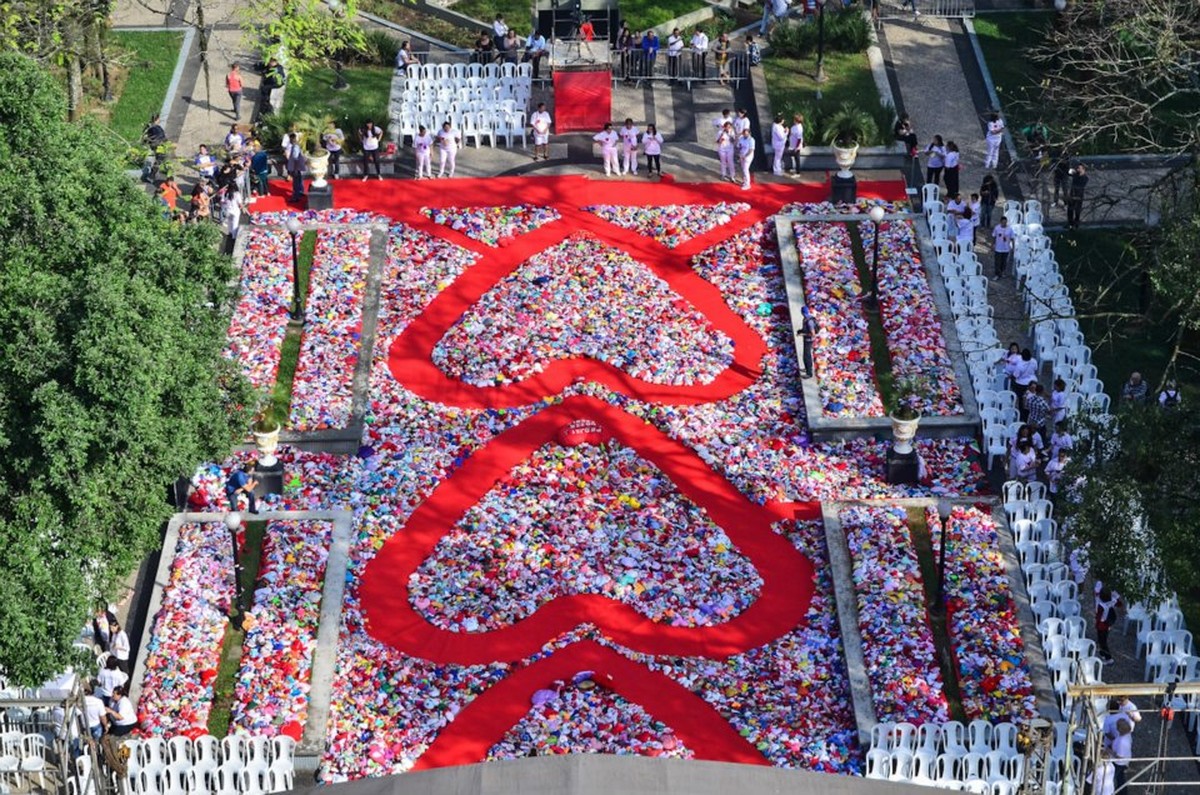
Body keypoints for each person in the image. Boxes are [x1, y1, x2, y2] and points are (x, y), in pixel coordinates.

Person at [1094, 588, 1122, 662]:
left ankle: (1108, 658)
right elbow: (1119, 604)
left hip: (1101, 625)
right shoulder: (1112, 601)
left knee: (1102, 641)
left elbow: (1098, 616)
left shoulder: (1101, 606)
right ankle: (1102, 653)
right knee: (1103, 639)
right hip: (1107, 623)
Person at [1010, 348, 1038, 412]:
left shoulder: (1020, 366)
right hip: (1032, 381)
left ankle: (1021, 413)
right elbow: (1035, 369)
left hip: (1021, 384)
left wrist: (1010, 376)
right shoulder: (1034, 361)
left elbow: (1015, 376)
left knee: (1021, 399)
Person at [796, 304, 817, 378]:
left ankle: (809, 373)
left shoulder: (809, 321)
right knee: (806, 355)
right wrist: (800, 331)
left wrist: (802, 334)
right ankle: (807, 368)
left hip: (809, 340)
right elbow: (805, 329)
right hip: (806, 339)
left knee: (807, 356)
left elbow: (813, 334)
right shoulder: (806, 319)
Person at [1067, 163, 1088, 229]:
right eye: (1078, 168)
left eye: (1080, 168)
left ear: (1083, 170)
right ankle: (1070, 224)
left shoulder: (1085, 178)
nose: (1078, 169)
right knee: (1070, 210)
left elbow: (1080, 186)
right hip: (1072, 194)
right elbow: (1069, 173)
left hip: (1078, 196)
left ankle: (1076, 224)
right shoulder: (1076, 174)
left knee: (1077, 210)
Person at [285, 135, 305, 202]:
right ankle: (300, 192)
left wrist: (294, 168)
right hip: (297, 167)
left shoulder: (295, 146)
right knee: (299, 180)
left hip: (295, 167)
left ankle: (296, 196)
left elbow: (295, 157)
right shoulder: (297, 146)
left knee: (296, 182)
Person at [737, 126, 755, 190]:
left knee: (745, 169)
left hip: (748, 156)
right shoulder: (741, 138)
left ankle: (748, 184)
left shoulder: (751, 140)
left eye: (747, 134)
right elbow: (739, 146)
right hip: (742, 155)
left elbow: (751, 150)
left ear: (749, 133)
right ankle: (744, 181)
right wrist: (740, 154)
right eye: (744, 134)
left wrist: (745, 156)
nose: (745, 135)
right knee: (743, 169)